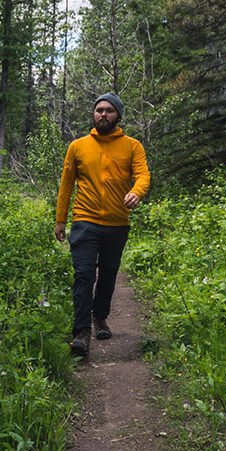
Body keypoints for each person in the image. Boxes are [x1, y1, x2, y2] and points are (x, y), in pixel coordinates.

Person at [54, 92, 151, 357]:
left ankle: (100, 316)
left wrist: (137, 192)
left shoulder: (132, 146)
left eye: (109, 110)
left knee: (108, 273)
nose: (103, 115)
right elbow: (66, 185)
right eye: (99, 110)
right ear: (93, 114)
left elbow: (143, 174)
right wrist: (60, 219)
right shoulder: (77, 146)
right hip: (84, 221)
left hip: (117, 223)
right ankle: (81, 333)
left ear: (118, 115)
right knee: (84, 275)